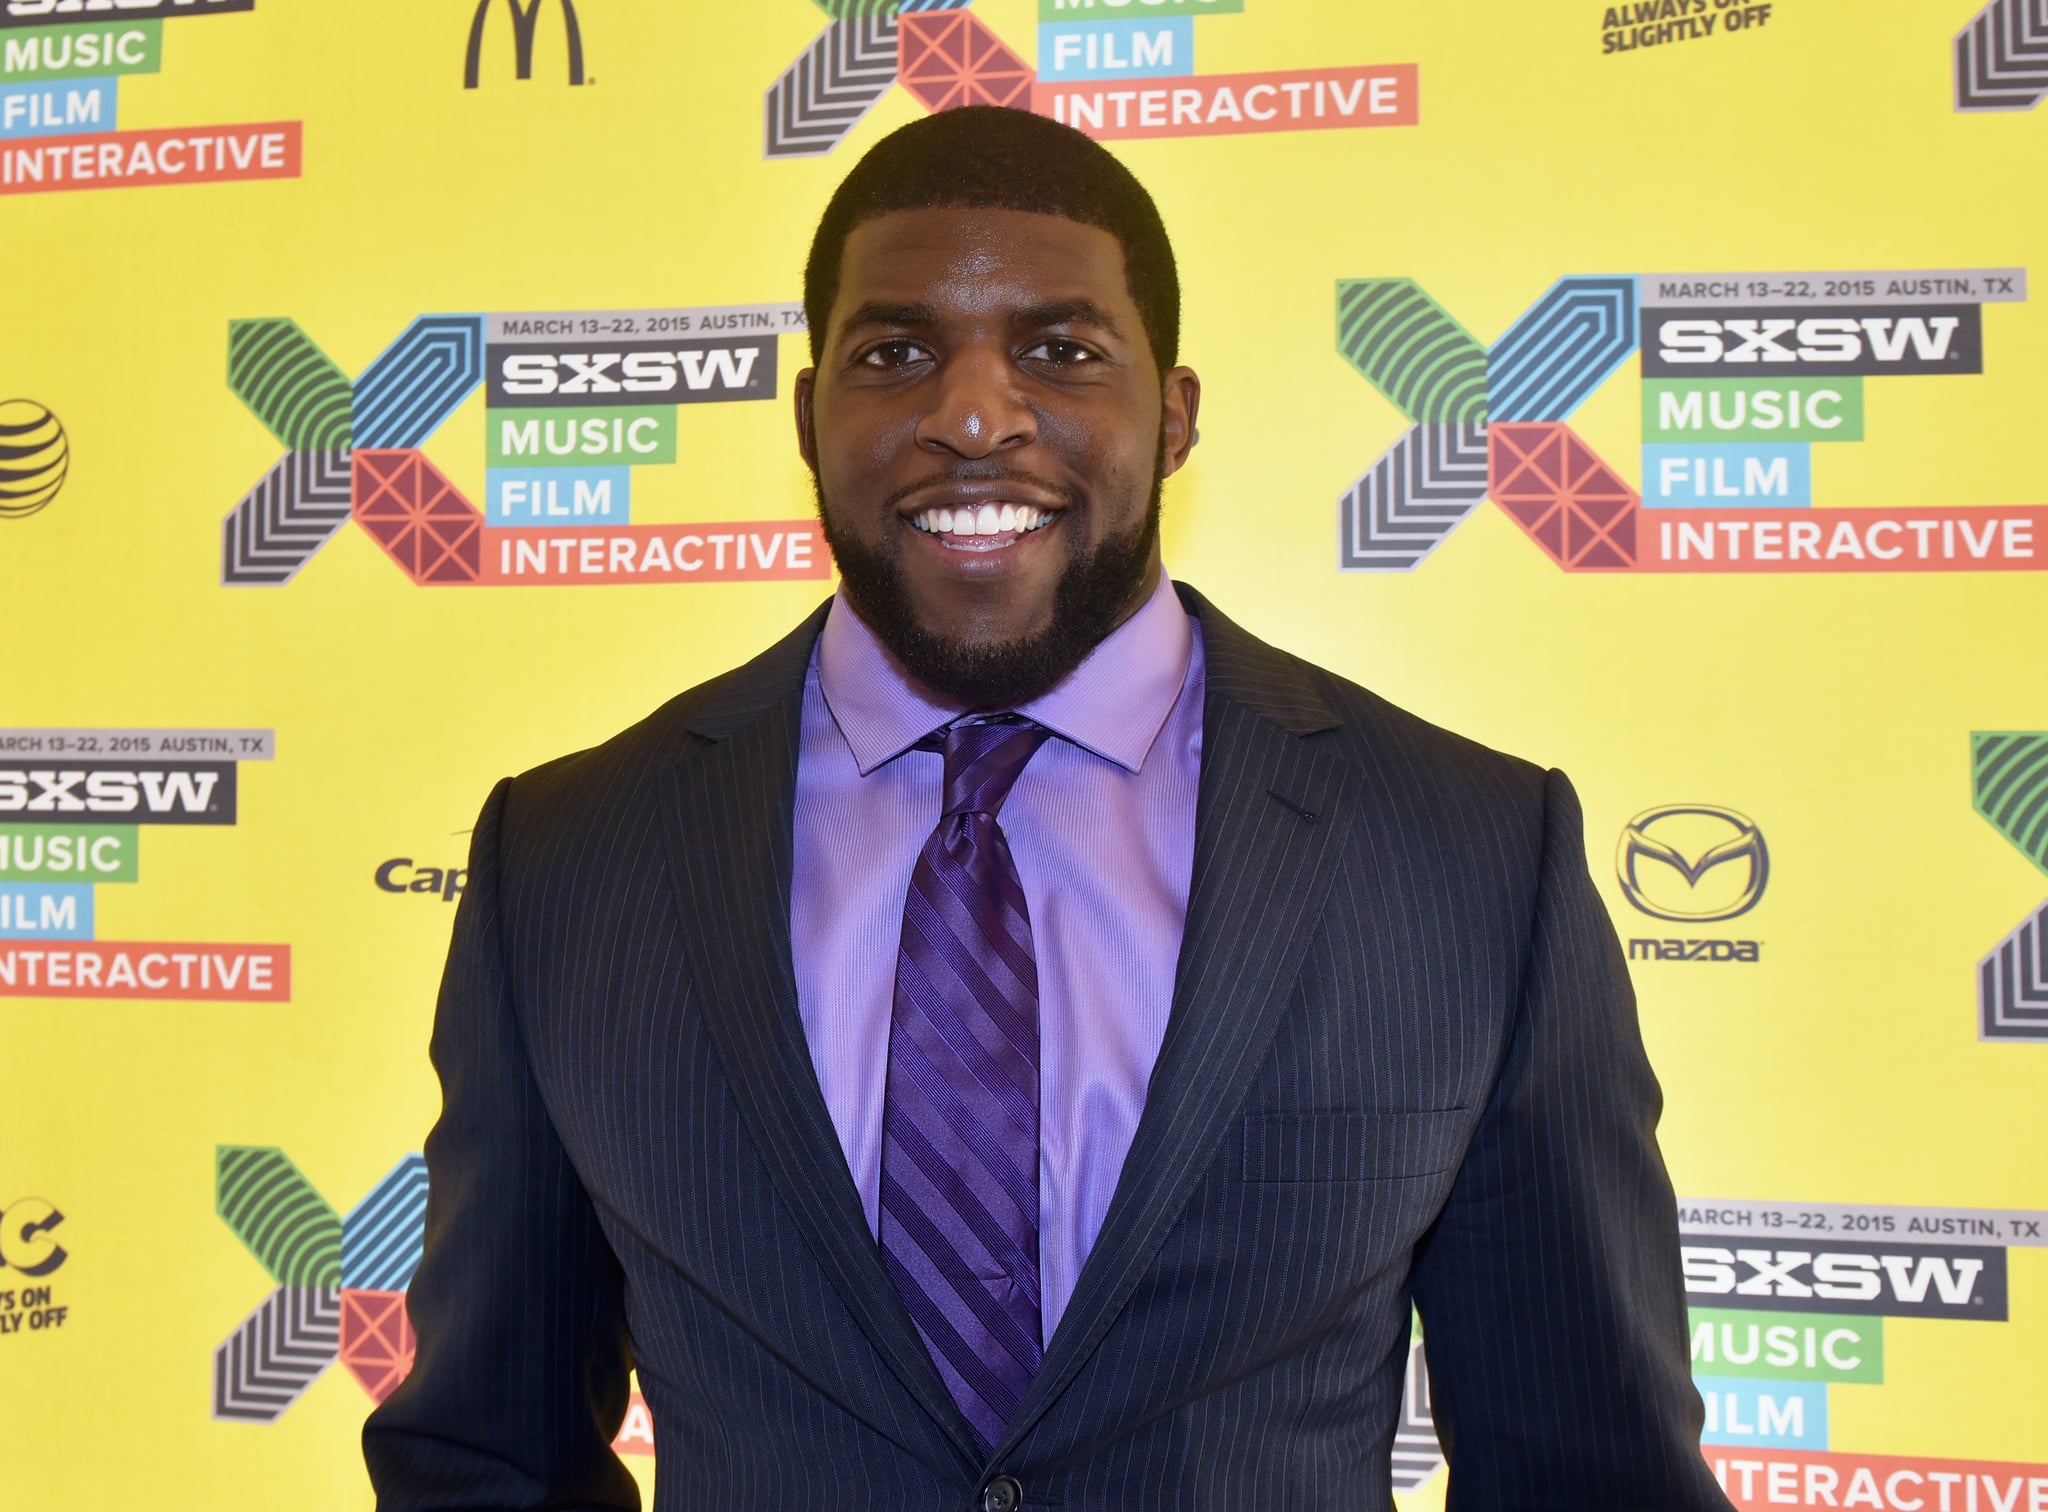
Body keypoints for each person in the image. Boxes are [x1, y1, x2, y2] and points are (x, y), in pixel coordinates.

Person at [364, 106, 1730, 1511]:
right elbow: (492, 1455)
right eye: (894, 352)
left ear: (1177, 414)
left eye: (1058, 350)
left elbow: (1591, 1471)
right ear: (805, 415)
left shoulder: (1475, 858)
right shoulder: (572, 860)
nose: (973, 413)